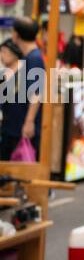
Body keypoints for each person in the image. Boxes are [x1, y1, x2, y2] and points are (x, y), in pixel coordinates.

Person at [0, 19, 46, 161]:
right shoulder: (30, 57)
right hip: (14, 124)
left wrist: (29, 122)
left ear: (16, 35)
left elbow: (36, 93)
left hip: (21, 126)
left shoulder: (35, 58)